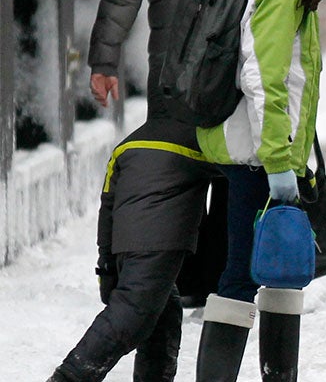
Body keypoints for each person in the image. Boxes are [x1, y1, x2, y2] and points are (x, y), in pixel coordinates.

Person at [192, 0, 326, 382]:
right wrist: (281, 165)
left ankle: (279, 376)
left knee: (284, 271)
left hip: (270, 153)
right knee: (241, 272)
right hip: (257, 158)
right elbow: (263, 77)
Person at [87, 0, 261, 307]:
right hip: (236, 74)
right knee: (234, 166)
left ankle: (177, 274)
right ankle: (222, 273)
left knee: (178, 163)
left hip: (174, 75)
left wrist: (104, 63)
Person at [47, 120, 218, 381]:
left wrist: (106, 265)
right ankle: (69, 377)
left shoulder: (128, 144)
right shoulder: (196, 142)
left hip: (126, 243)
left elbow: (107, 205)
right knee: (132, 314)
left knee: (163, 310)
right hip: (158, 240)